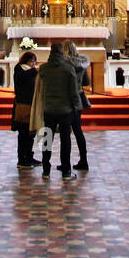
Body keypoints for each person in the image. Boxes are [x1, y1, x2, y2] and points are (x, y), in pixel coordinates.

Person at [36, 43, 80, 180]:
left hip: (49, 108)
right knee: (65, 140)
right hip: (65, 109)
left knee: (47, 138)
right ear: (62, 53)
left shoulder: (43, 68)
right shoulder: (68, 69)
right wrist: (77, 107)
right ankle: (66, 170)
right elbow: (73, 92)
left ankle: (46, 169)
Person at [63, 40, 90, 171]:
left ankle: (65, 164)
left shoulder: (64, 64)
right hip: (78, 98)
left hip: (66, 98)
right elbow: (86, 82)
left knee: (65, 132)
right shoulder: (82, 64)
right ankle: (84, 160)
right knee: (78, 130)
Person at [12, 51, 38, 168]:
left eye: (34, 62)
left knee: (31, 133)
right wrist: (34, 71)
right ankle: (21, 159)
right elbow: (22, 79)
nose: (33, 64)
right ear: (25, 61)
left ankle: (29, 156)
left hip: (31, 104)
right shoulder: (19, 69)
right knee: (23, 133)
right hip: (23, 105)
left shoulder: (31, 71)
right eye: (31, 61)